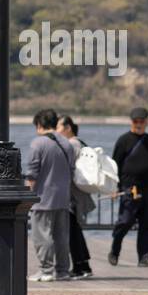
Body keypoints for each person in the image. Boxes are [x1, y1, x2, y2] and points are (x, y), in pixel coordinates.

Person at [109, 106, 148, 268]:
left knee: (147, 224)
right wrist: (114, 187)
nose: (139, 124)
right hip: (128, 189)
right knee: (125, 221)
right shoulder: (123, 141)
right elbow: (114, 165)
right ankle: (115, 249)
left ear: (147, 122)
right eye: (136, 121)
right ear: (131, 122)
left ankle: (145, 256)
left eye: (142, 121)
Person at [24, 108, 76, 282]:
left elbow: (32, 174)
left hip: (43, 197)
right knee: (62, 236)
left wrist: (28, 195)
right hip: (63, 197)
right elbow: (72, 170)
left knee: (42, 235)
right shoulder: (67, 144)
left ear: (39, 125)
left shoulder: (37, 144)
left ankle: (46, 270)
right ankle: (62, 271)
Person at [59, 115, 94, 278]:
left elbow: (67, 168)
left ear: (67, 128)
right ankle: (83, 265)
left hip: (72, 195)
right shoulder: (80, 142)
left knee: (72, 230)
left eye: (59, 127)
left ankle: (80, 267)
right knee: (75, 230)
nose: (56, 130)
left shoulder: (71, 144)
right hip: (78, 194)